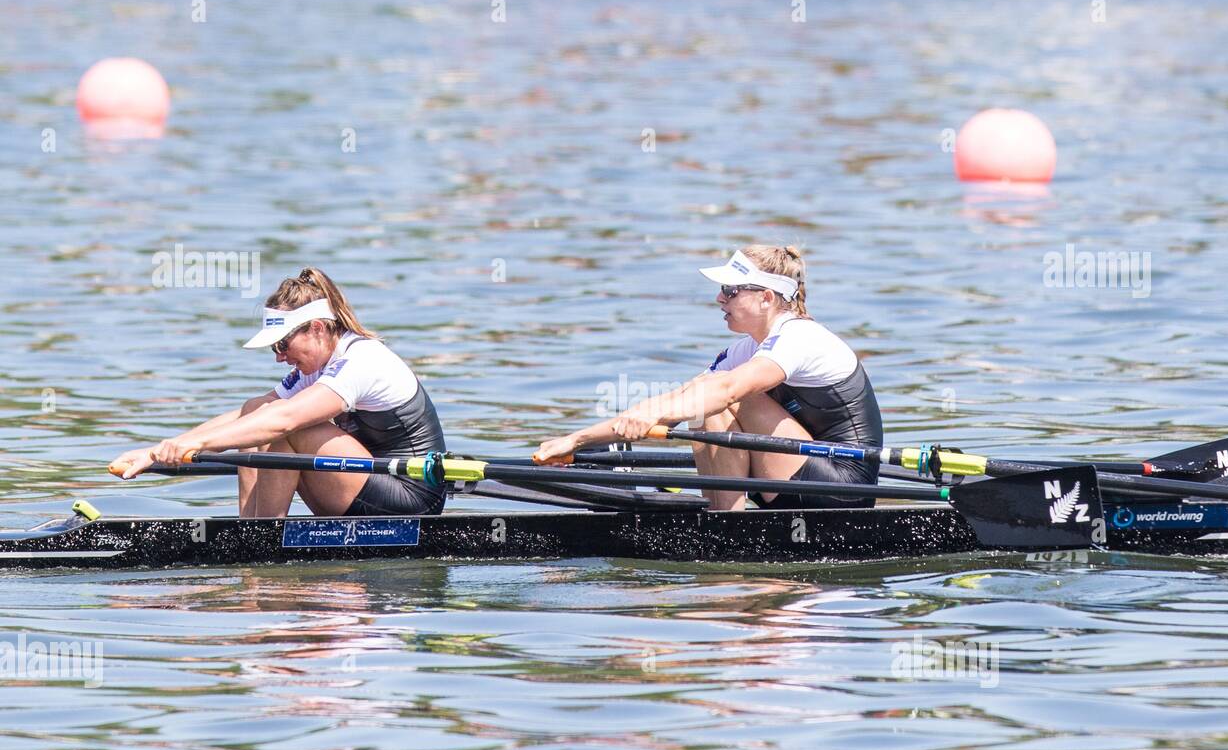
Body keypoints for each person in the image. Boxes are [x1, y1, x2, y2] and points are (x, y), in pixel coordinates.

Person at [534, 245, 883, 510]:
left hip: (843, 490)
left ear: (765, 298)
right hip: (795, 479)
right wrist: (577, 440)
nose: (719, 298)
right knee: (702, 396)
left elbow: (729, 389)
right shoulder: (746, 349)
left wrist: (653, 415)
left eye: (731, 290)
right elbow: (681, 397)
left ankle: (726, 527)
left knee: (720, 394)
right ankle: (723, 520)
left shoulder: (801, 338)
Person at [109, 267, 447, 517]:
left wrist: (194, 446)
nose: (278, 356)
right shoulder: (317, 367)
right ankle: (250, 528)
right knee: (257, 409)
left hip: (411, 499)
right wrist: (156, 452)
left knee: (285, 426)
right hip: (369, 488)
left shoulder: (363, 359)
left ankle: (263, 537)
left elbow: (282, 421)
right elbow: (251, 415)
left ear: (317, 329)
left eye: (283, 344)